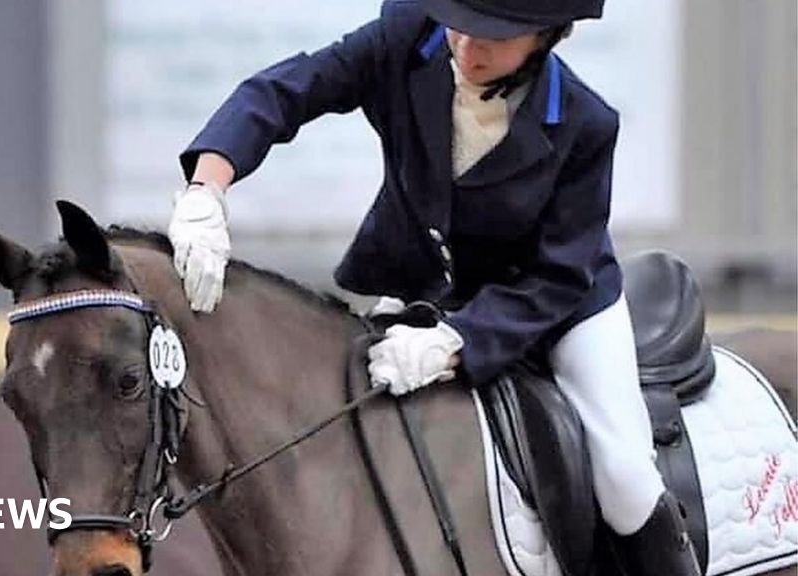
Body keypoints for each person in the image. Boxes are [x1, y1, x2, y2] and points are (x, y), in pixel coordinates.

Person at [166, 0, 700, 573]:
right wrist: (207, 188)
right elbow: (285, 91)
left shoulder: (586, 124)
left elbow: (557, 277)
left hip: (556, 305)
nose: (467, 48)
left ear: (546, 36)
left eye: (493, 36)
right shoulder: (405, 36)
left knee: (624, 479)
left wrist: (457, 344)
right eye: (459, 27)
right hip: (427, 286)